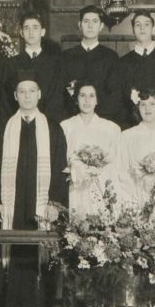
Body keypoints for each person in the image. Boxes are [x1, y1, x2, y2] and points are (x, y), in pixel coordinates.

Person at [0, 74, 68, 307]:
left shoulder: (53, 127)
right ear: (15, 96)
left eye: (32, 91)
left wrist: (54, 203)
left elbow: (60, 168)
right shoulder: (4, 128)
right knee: (14, 251)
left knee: (39, 253)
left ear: (39, 95)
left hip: (41, 202)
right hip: (13, 202)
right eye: (22, 92)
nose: (27, 96)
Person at [59, 81, 122, 217]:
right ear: (76, 99)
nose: (87, 100)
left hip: (102, 186)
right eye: (82, 95)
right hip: (76, 186)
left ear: (97, 100)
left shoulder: (111, 128)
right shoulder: (66, 126)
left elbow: (115, 163)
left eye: (91, 96)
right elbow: (61, 160)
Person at [116, 11, 155, 129]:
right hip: (131, 125)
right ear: (133, 29)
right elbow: (120, 98)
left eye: (146, 24)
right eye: (138, 25)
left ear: (152, 28)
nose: (142, 28)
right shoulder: (123, 62)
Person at [60, 5, 121, 123]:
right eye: (86, 21)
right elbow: (61, 92)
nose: (90, 25)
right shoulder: (66, 56)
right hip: (72, 121)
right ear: (79, 25)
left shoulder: (110, 57)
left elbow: (114, 94)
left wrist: (95, 119)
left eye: (95, 21)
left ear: (101, 26)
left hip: (102, 121)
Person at [9, 11, 64, 122]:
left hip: (48, 121)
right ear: (21, 32)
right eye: (26, 28)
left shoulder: (54, 63)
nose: (31, 32)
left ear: (42, 32)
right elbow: (9, 98)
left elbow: (56, 97)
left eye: (35, 28)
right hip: (19, 121)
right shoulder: (12, 63)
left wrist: (46, 121)